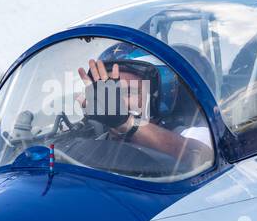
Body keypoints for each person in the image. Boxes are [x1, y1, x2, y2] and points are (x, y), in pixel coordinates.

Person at [75, 53, 211, 171]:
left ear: (158, 95)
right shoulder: (93, 143)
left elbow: (201, 157)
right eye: (109, 93)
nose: (116, 101)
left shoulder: (196, 134)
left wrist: (127, 123)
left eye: (128, 92)